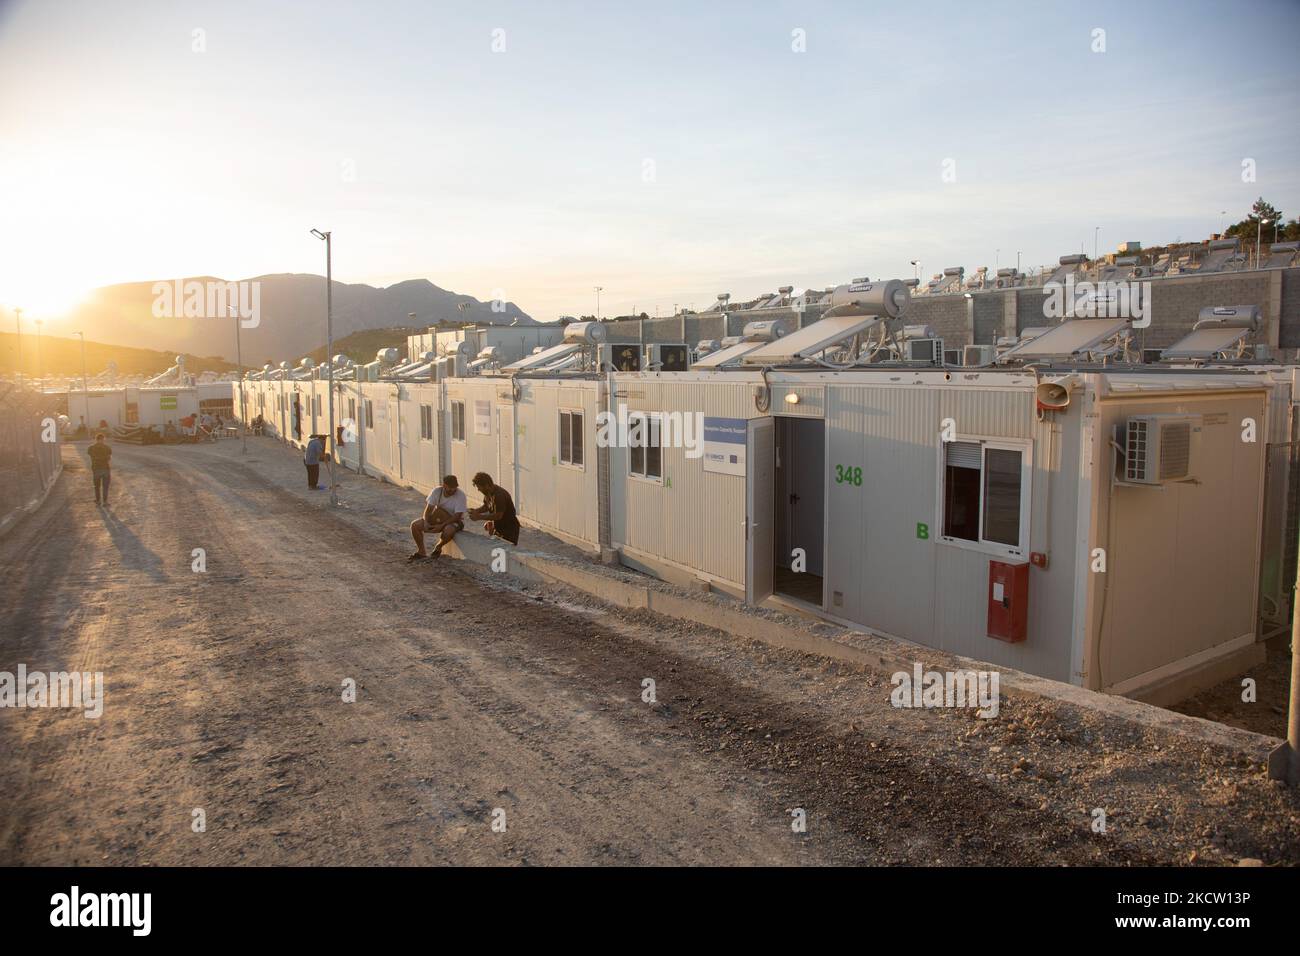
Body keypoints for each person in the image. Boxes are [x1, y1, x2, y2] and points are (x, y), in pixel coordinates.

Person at [408, 474, 468, 561]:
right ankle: (421, 552)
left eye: (454, 487)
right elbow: (428, 509)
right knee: (415, 525)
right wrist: (426, 521)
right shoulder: (437, 491)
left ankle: (438, 547)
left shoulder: (461, 495)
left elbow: (457, 516)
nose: (452, 490)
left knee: (449, 530)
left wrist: (441, 525)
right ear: (444, 486)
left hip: (453, 521)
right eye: (450, 488)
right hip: (437, 518)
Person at [469, 472, 520, 546]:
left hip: (509, 529)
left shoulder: (499, 495)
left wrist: (479, 517)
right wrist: (476, 511)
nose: (478, 489)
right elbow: (487, 506)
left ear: (486, 485)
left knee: (505, 553)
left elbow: (498, 516)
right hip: (498, 527)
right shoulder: (488, 492)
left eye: (479, 487)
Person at [87, 433, 112, 506]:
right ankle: (105, 501)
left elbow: (90, 455)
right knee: (105, 486)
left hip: (96, 469)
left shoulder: (91, 448)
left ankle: (98, 501)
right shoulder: (107, 448)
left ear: (96, 439)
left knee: (97, 486)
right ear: (103, 439)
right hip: (106, 469)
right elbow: (109, 458)